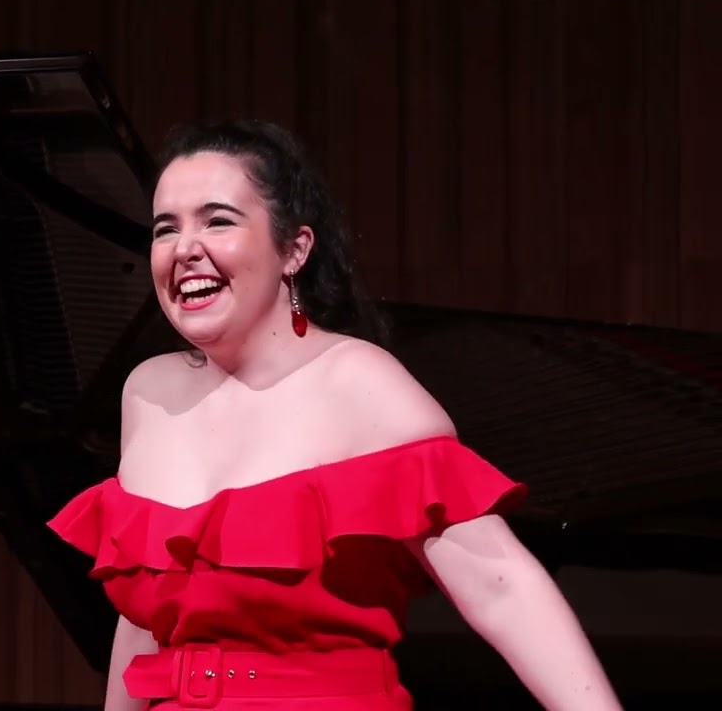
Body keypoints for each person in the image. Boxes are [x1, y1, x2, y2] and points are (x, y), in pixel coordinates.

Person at [47, 119, 621, 710]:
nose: (185, 248)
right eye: (166, 228)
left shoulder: (359, 383)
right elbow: (145, 620)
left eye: (217, 220)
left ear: (293, 250)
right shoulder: (148, 392)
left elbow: (500, 588)